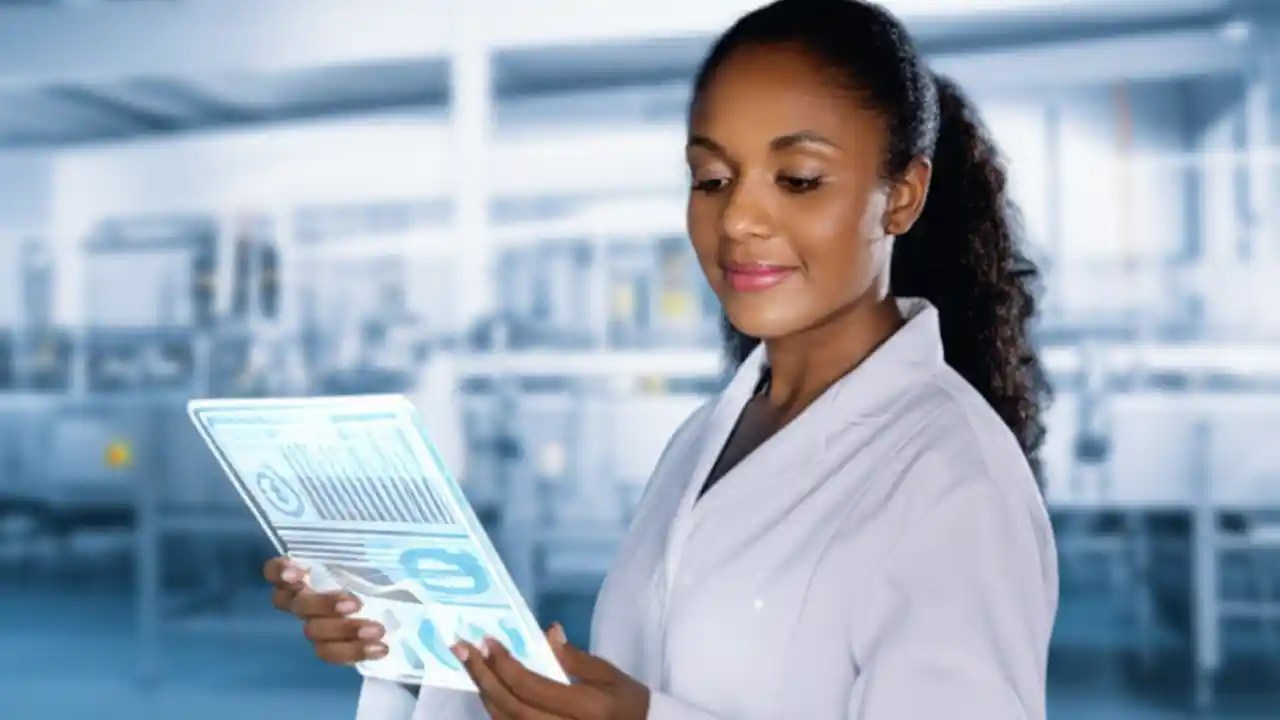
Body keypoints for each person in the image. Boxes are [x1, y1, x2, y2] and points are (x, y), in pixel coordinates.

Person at [263, 0, 1059, 717]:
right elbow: (648, 684)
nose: (739, 218)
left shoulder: (956, 481)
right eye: (712, 178)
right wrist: (416, 650)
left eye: (798, 179)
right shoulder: (705, 439)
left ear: (902, 197)